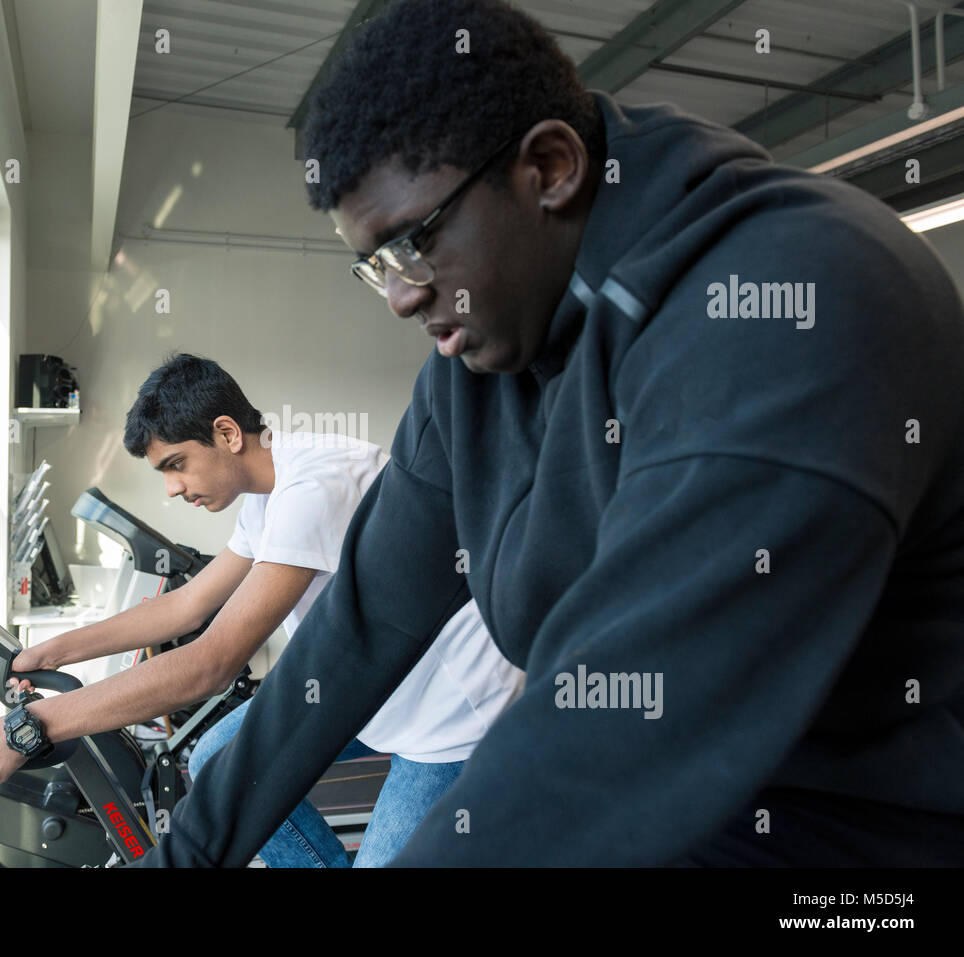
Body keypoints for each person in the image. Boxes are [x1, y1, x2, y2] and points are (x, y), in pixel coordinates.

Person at [135, 0, 964, 867]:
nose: (400, 295)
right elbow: (360, 629)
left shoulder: (787, 302)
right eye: (374, 264)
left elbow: (615, 730)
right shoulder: (483, 366)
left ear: (550, 167)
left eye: (413, 243)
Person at [0, 353, 524, 866]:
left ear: (226, 433)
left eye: (175, 465)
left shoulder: (314, 485)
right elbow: (190, 607)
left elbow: (211, 663)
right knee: (220, 755)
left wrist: (25, 729)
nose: (172, 488)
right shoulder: (265, 493)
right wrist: (42, 653)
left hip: (451, 718)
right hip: (373, 694)